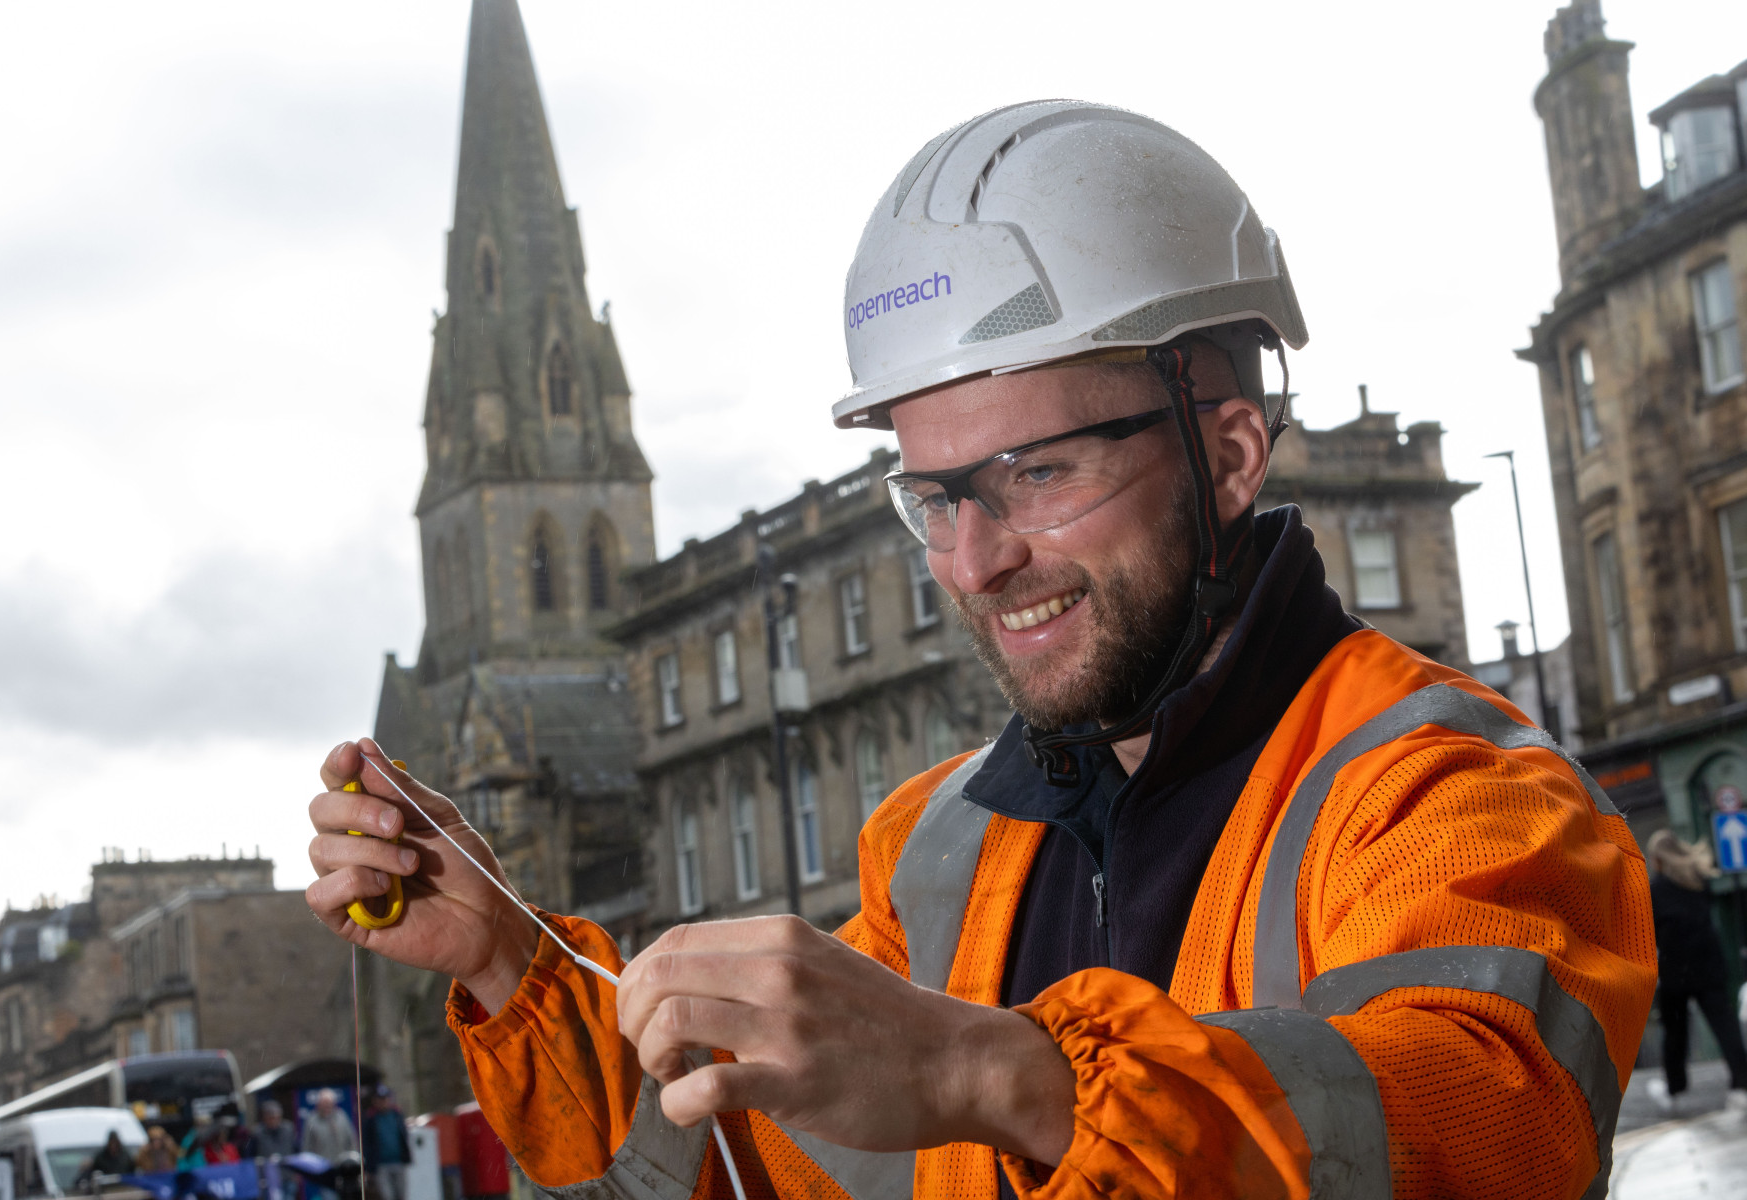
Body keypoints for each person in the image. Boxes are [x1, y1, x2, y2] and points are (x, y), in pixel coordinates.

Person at [307, 101, 1656, 1198]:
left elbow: (1475, 1134)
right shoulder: (940, 849)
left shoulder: (1461, 798)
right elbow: (736, 1171)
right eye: (939, 495)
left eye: (1037, 472)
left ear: (1230, 451)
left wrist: (996, 1079)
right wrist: (510, 959)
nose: (974, 559)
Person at [1645, 829, 1747, 1113]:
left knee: (1675, 1031)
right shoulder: (1697, 881)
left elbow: (1650, 931)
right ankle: (1741, 1084)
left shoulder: (1657, 889)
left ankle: (1674, 1088)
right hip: (1709, 964)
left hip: (1676, 969)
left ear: (1658, 859)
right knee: (1724, 1025)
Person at [363, 1088, 412, 1200]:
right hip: (381, 1165)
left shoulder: (397, 1115)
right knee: (387, 1196)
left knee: (401, 1195)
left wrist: (406, 1156)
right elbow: (367, 1144)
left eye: (385, 1099)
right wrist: (369, 1168)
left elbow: (403, 1136)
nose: (383, 1102)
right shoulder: (370, 1119)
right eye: (379, 1099)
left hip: (398, 1162)